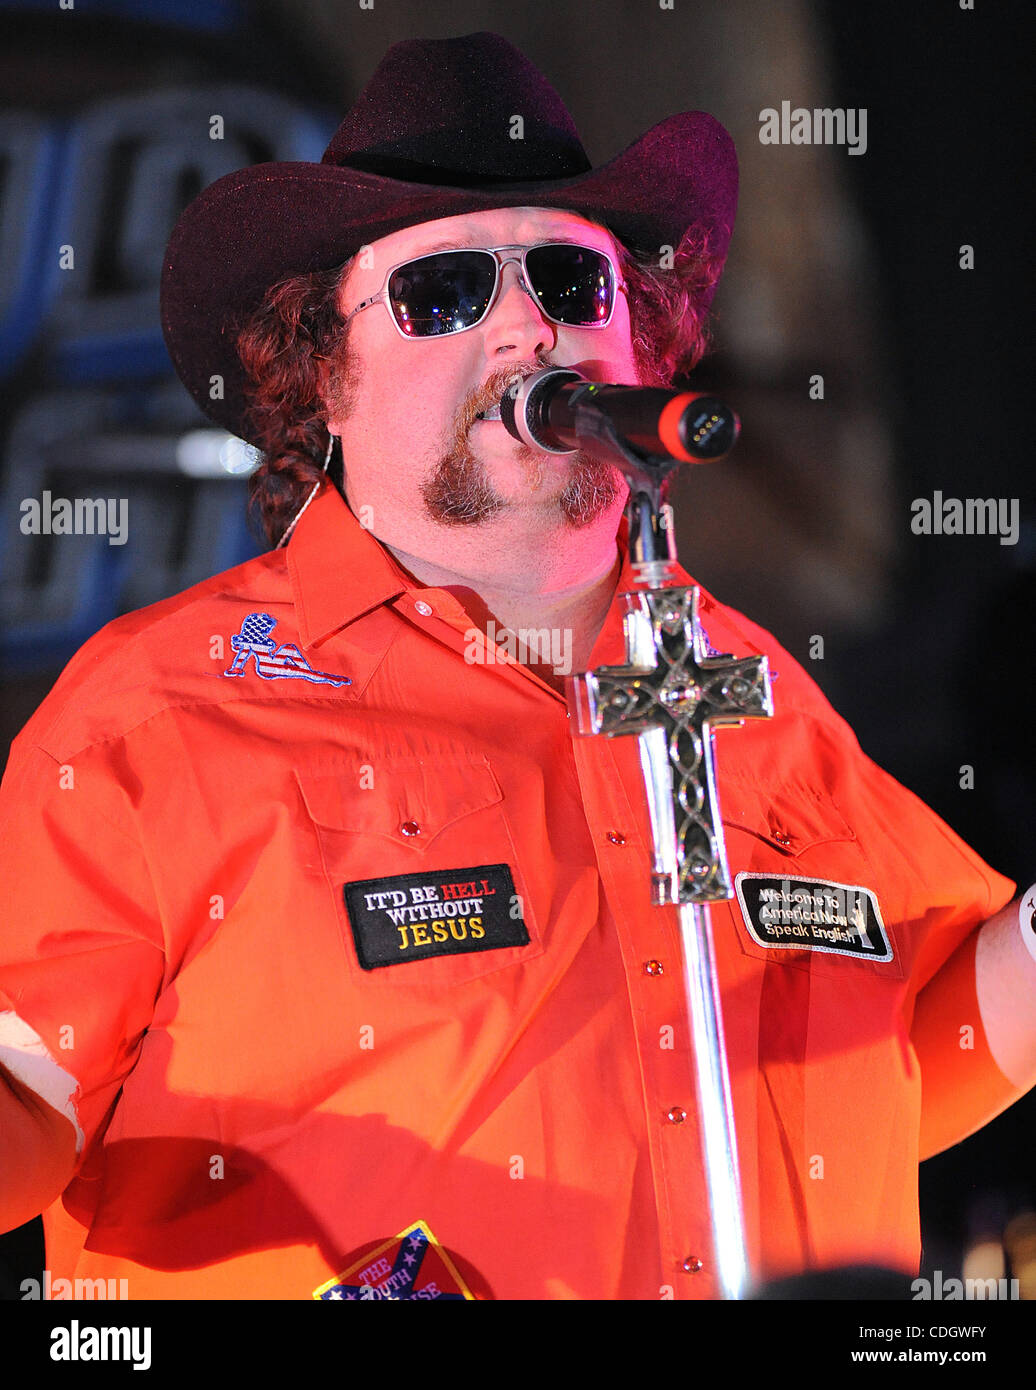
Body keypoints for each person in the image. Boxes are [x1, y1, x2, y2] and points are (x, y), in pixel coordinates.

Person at [0, 32, 1032, 1303]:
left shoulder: (749, 682)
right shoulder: (155, 709)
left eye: (566, 278)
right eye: (442, 292)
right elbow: (26, 1088)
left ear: (641, 350)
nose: (525, 320)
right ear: (323, 373)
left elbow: (925, 1032)